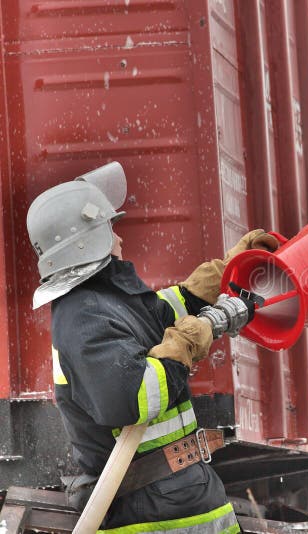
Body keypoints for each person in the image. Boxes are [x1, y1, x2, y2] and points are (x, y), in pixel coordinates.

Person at [26, 163, 279, 532]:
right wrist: (191, 339)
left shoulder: (108, 300)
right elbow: (132, 398)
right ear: (88, 239)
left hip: (180, 496)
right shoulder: (84, 316)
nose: (120, 238)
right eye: (110, 229)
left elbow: (160, 317)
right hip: (151, 512)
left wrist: (228, 272)